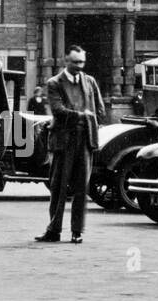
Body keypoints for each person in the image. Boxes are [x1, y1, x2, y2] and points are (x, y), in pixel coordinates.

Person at [36, 45, 106, 245]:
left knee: (81, 189)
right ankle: (54, 230)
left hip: (85, 142)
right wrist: (83, 116)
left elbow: (100, 111)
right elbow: (58, 110)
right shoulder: (54, 83)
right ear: (65, 60)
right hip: (63, 142)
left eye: (81, 62)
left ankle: (77, 231)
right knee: (58, 188)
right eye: (75, 62)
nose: (78, 66)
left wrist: (85, 119)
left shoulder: (90, 82)